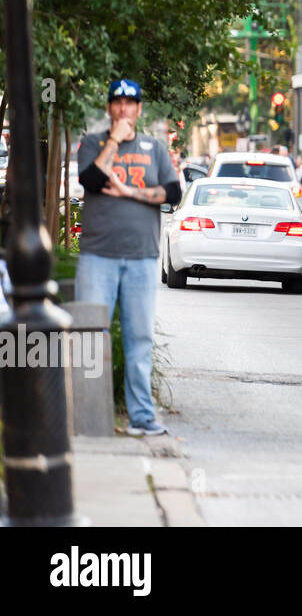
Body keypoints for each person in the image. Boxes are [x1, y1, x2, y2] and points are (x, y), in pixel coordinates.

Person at [76, 79, 182, 436]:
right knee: (90, 335)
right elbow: (90, 180)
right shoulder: (93, 143)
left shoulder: (155, 147)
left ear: (139, 109)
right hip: (97, 255)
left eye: (130, 103)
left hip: (141, 257)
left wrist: (129, 191)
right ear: (109, 108)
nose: (123, 108)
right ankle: (87, 418)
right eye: (117, 102)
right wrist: (114, 141)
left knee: (139, 337)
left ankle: (141, 417)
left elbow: (173, 192)